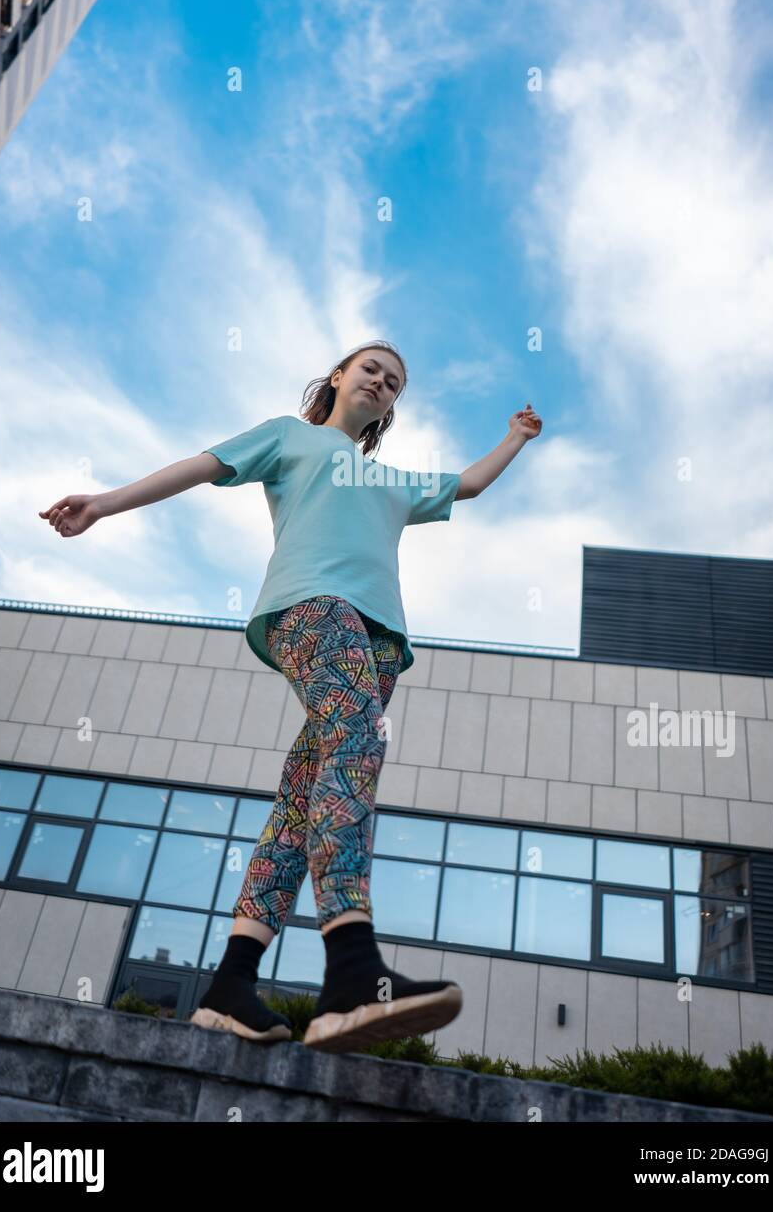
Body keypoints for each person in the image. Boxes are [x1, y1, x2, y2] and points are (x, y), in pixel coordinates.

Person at [38, 340, 543, 1054]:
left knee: (304, 798)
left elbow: (468, 484)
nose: (382, 382)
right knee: (360, 747)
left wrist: (514, 439)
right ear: (339, 377)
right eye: (371, 369)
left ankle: (229, 986)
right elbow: (202, 465)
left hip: (377, 648)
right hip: (312, 611)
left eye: (395, 382)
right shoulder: (290, 437)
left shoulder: (391, 482)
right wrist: (106, 502)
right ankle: (352, 971)